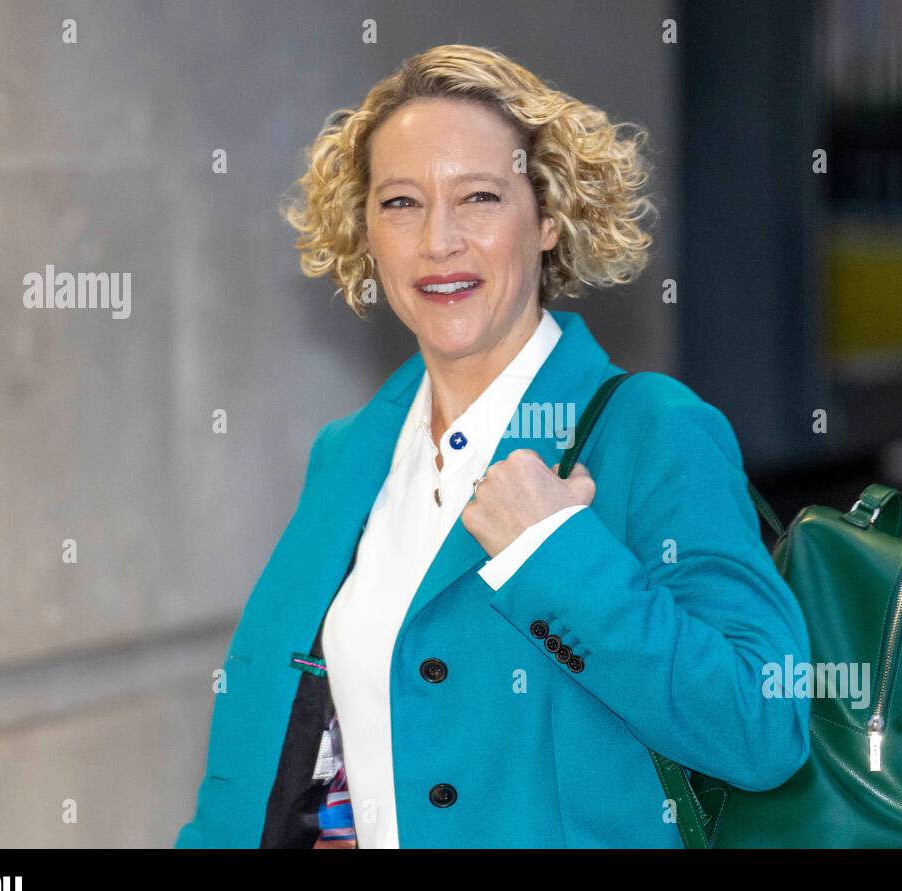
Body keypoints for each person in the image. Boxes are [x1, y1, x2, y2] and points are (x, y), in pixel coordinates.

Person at [175, 43, 810, 849]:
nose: (439, 240)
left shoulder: (653, 430)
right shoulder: (351, 455)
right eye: (401, 203)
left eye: (478, 196)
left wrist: (554, 552)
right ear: (366, 231)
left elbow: (764, 722)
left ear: (547, 219)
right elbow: (284, 753)